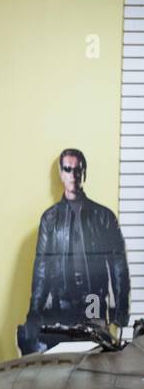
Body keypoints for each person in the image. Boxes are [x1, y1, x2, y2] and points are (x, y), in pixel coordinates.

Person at [23, 149, 131, 353]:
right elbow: (42, 268)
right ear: (61, 174)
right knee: (60, 363)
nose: (73, 175)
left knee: (96, 361)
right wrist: (34, 314)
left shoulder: (104, 217)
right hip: (60, 302)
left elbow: (119, 266)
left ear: (84, 173)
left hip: (94, 301)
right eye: (68, 169)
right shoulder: (50, 219)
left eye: (78, 170)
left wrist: (121, 312)